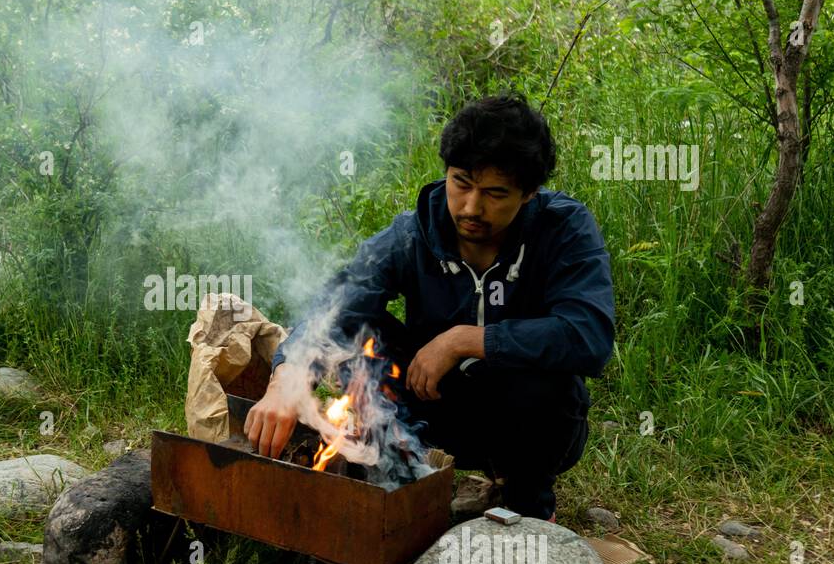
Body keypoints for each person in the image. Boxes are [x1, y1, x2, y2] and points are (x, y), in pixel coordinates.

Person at [244, 92, 615, 522]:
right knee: (362, 335)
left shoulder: (563, 228)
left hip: (525, 420)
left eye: (496, 193)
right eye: (461, 183)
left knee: (548, 382)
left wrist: (463, 341)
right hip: (430, 405)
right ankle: (406, 489)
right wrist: (286, 378)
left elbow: (589, 335)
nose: (472, 207)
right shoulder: (414, 233)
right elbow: (336, 304)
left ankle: (528, 508)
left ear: (529, 193)